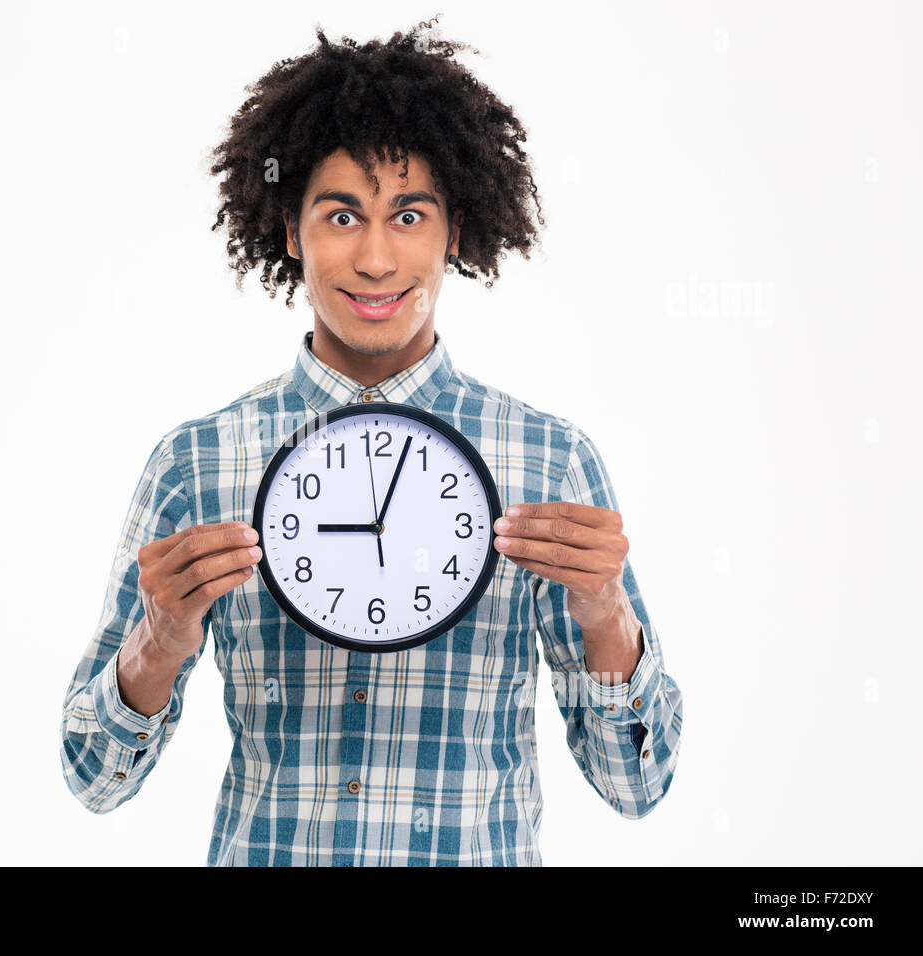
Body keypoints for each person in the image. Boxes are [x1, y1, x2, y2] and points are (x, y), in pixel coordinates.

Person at [60, 18, 684, 866]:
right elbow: (92, 779)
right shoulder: (199, 463)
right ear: (293, 231)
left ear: (453, 232)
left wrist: (606, 615)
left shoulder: (548, 461)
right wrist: (158, 643)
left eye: (409, 214)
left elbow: (637, 787)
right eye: (343, 215)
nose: (378, 259)